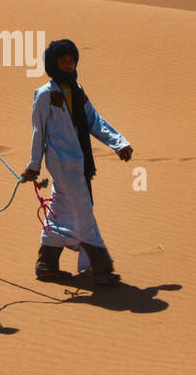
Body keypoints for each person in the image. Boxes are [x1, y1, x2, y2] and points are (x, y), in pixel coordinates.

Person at [20, 39, 133, 285]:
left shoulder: (78, 91)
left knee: (62, 212)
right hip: (62, 164)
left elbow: (94, 121)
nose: (68, 66)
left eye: (71, 61)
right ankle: (100, 269)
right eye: (63, 62)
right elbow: (38, 132)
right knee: (83, 212)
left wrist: (119, 143)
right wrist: (33, 165)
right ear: (53, 64)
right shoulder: (44, 95)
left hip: (81, 162)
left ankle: (46, 265)